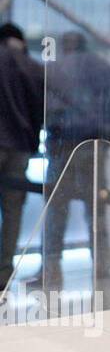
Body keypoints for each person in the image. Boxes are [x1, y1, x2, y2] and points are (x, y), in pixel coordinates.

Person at [43, 31, 110, 286]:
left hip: (63, 144)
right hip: (95, 144)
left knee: (56, 206)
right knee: (95, 206)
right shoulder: (104, 68)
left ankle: (52, 266)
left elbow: (48, 108)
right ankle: (100, 263)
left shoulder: (56, 69)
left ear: (66, 46)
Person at [0, 23, 43, 289]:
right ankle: (3, 271)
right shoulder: (31, 65)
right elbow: (39, 108)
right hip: (18, 147)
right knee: (13, 209)